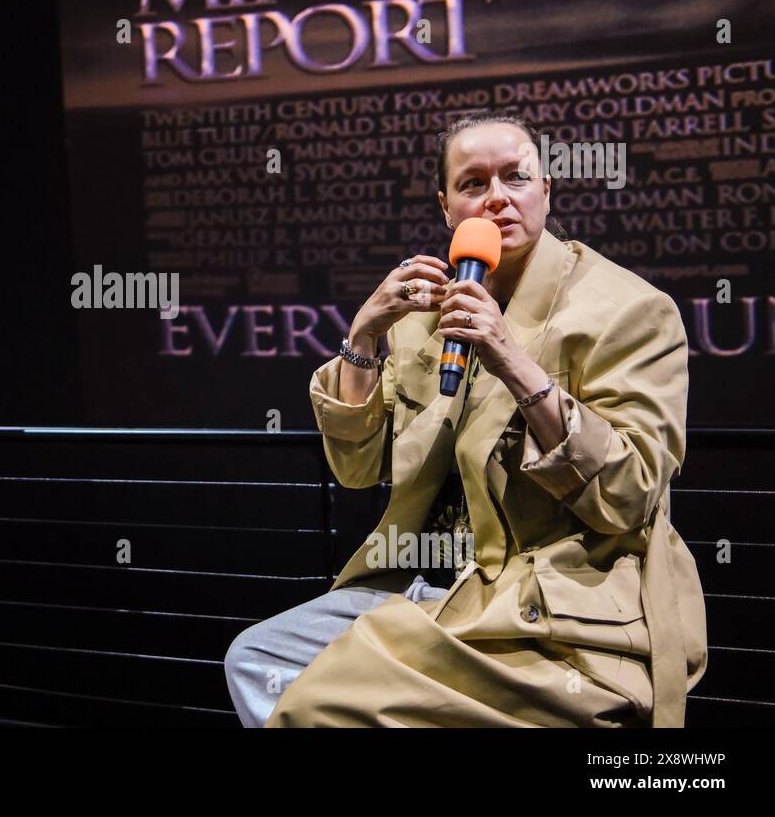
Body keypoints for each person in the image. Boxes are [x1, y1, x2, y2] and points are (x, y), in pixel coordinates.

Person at [224, 112, 707, 727]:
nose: (497, 198)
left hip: (546, 597)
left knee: (326, 701)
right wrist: (365, 333)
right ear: (447, 208)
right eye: (473, 183)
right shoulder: (426, 316)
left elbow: (629, 494)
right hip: (426, 583)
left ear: (546, 191)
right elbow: (356, 470)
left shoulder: (628, 309)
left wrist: (512, 360)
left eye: (516, 178)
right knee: (257, 658)